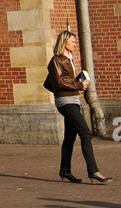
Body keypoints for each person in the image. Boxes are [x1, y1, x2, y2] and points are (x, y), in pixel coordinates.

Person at [48, 30, 112, 183]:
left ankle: (65, 171)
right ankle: (94, 171)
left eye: (75, 42)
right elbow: (59, 82)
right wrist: (78, 84)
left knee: (70, 137)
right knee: (86, 133)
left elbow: (66, 79)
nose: (75, 45)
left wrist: (79, 81)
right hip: (65, 101)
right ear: (64, 43)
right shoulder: (57, 60)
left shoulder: (69, 59)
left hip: (74, 100)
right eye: (72, 42)